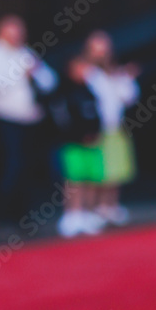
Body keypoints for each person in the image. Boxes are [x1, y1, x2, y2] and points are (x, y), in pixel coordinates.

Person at [0, 15, 58, 222]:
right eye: (13, 31)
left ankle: (23, 215)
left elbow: (49, 81)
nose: (18, 35)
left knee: (29, 167)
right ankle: (2, 216)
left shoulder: (25, 52)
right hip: (4, 119)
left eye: (20, 31)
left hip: (31, 119)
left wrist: (34, 72)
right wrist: (19, 73)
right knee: (11, 166)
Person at [83, 31, 140, 225]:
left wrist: (124, 77)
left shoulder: (115, 72)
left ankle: (109, 206)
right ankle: (91, 210)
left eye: (105, 49)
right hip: (95, 128)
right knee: (96, 172)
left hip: (115, 127)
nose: (102, 53)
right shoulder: (86, 71)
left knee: (115, 170)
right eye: (97, 49)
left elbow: (129, 97)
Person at [50, 57, 105, 237]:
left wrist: (95, 134)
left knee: (92, 179)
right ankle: (72, 215)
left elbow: (97, 113)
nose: (83, 72)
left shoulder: (90, 90)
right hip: (73, 144)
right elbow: (61, 119)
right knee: (74, 180)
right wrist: (77, 136)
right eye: (79, 68)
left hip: (93, 143)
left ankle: (87, 214)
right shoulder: (63, 92)